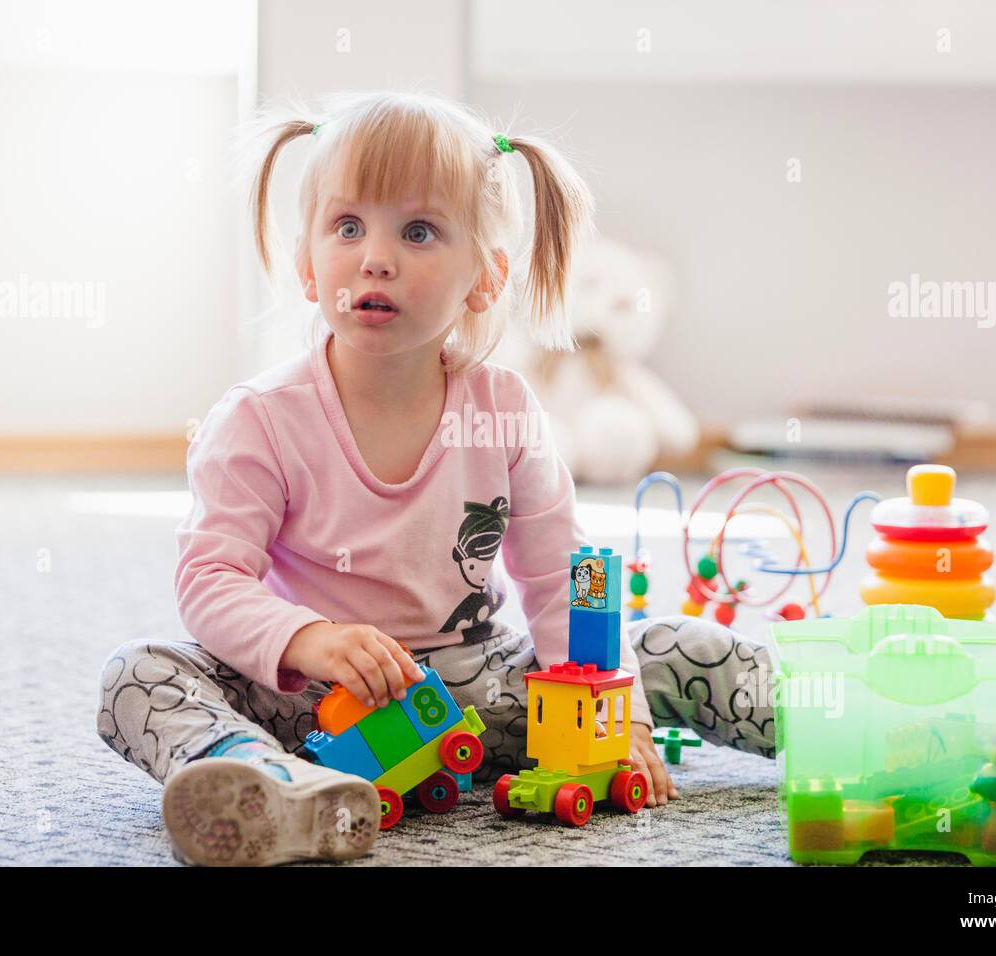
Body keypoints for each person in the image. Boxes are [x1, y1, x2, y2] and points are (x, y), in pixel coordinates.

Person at [96, 90, 774, 866]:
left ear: (485, 278)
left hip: (479, 696)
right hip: (314, 709)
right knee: (138, 673)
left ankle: (844, 722)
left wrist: (610, 717)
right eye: (347, 227)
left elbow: (564, 575)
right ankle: (280, 789)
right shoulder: (260, 418)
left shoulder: (506, 407)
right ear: (308, 265)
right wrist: (310, 640)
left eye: (418, 231)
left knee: (669, 644)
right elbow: (212, 579)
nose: (375, 257)